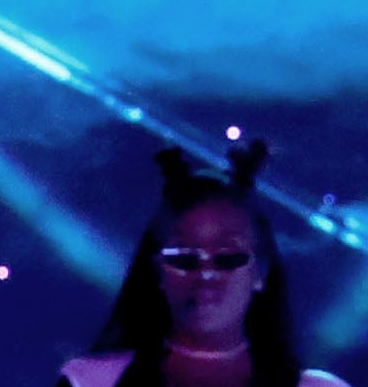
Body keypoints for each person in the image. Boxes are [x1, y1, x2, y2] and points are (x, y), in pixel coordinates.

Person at [56, 141, 352, 387]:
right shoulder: (90, 382)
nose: (206, 274)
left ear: (260, 272)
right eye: (184, 259)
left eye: (227, 258)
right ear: (157, 271)